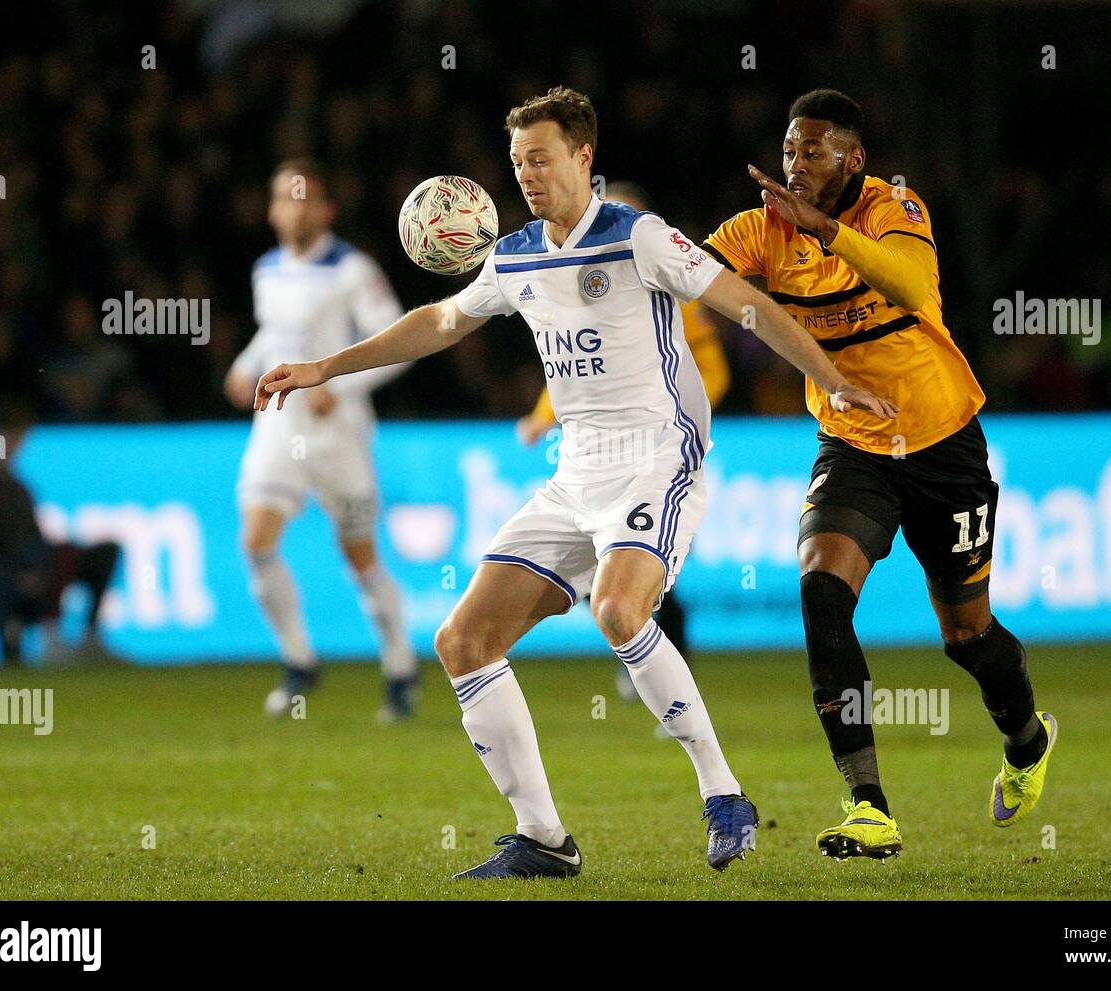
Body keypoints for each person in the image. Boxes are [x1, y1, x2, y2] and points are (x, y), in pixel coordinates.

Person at [254, 87, 895, 879]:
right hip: (575, 468)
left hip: (657, 453)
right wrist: (326, 364)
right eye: (519, 160)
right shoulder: (515, 253)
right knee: (461, 641)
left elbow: (748, 306)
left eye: (541, 157)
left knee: (618, 609)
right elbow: (442, 321)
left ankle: (723, 791)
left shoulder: (641, 238)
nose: (526, 174)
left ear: (584, 159)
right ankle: (544, 838)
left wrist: (830, 379)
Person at [703, 89, 1056, 860]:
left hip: (941, 440)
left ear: (854, 159)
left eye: (816, 151)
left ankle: (1027, 739)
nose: (797, 165)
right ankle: (868, 805)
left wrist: (826, 230)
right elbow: (686, 271)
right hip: (852, 442)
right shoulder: (762, 227)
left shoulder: (894, 208)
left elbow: (913, 286)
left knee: (966, 635)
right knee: (821, 588)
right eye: (791, 150)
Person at [515, 180, 732, 704]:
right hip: (597, 459)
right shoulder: (579, 286)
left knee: (646, 576)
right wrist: (543, 417)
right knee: (608, 571)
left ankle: (669, 672)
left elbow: (711, 367)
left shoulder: (667, 291)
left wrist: (684, 415)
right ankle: (649, 666)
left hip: (663, 449)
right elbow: (575, 367)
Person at [223, 159, 418, 723]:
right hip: (279, 426)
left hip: (338, 433)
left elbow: (395, 340)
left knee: (359, 557)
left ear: (327, 209)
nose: (296, 207)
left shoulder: (352, 270)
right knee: (256, 541)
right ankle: (299, 660)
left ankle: (400, 668)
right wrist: (246, 364)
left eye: (307, 197)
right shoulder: (266, 269)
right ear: (272, 210)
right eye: (287, 197)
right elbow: (275, 333)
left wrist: (343, 383)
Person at [0, 403, 121, 666]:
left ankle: (89, 637)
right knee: (57, 557)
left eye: (18, 438)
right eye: (7, 438)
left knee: (98, 554)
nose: (15, 445)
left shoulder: (19, 488)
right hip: (2, 584)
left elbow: (35, 540)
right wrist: (15, 577)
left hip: (37, 570)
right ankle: (51, 639)